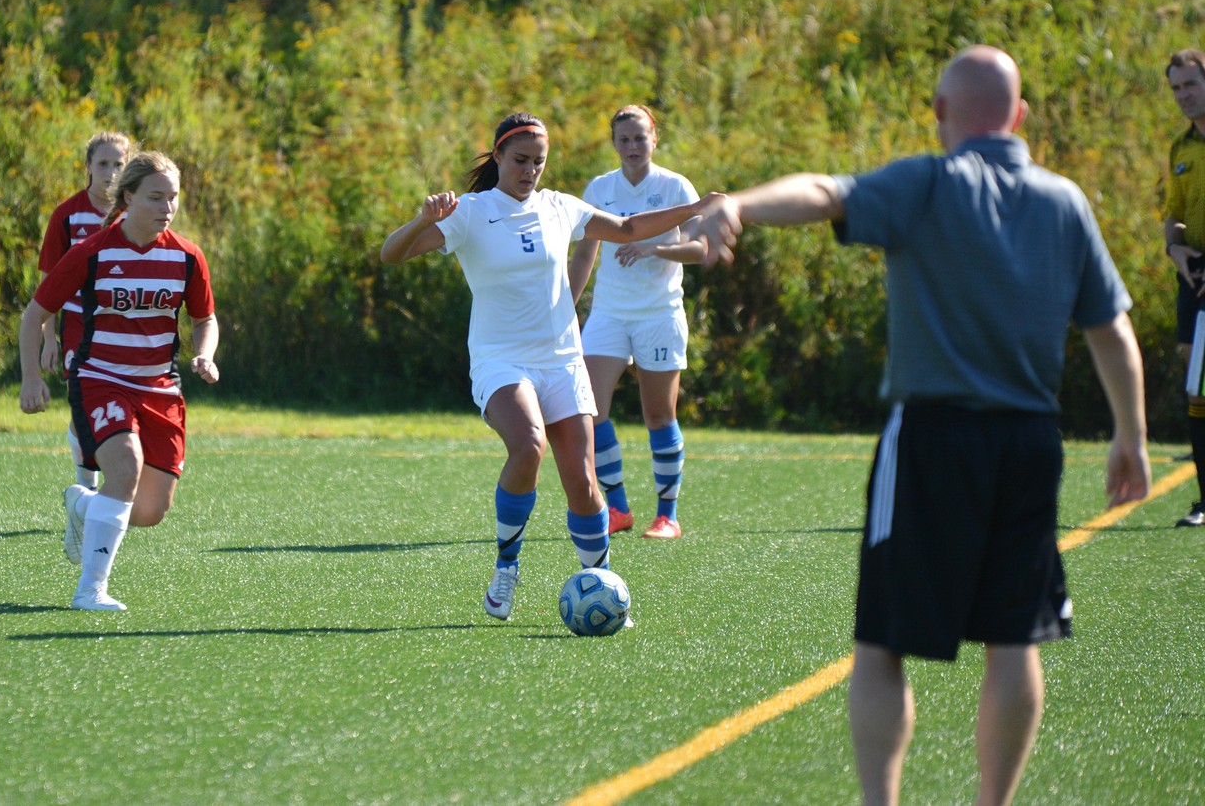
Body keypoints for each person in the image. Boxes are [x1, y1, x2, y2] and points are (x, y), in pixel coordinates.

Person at [689, 46, 1151, 806]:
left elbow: (825, 191)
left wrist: (737, 204)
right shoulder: (1065, 200)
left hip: (932, 439)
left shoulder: (927, 182)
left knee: (882, 643)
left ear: (939, 111)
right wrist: (1129, 434)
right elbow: (1111, 329)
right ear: (1020, 115)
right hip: (1030, 441)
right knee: (1014, 639)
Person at [380, 112, 717, 622]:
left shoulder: (559, 206)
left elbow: (627, 229)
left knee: (583, 482)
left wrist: (695, 207)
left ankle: (601, 582)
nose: (530, 170)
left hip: (561, 359)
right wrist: (424, 221)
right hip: (500, 359)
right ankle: (507, 566)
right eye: (520, 160)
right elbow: (392, 254)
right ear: (497, 156)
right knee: (529, 444)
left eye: (538, 162)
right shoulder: (469, 213)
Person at [19, 151, 219, 612]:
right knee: (125, 469)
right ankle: (90, 591)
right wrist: (31, 378)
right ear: (128, 197)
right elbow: (34, 315)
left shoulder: (187, 256)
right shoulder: (92, 252)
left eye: (173, 197)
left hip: (159, 389)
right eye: (155, 197)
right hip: (100, 380)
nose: (167, 207)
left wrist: (205, 354)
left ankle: (82, 505)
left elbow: (205, 318)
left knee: (148, 512)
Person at [569, 105, 706, 539]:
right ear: (614, 143)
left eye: (639, 137)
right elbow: (585, 254)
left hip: (659, 314)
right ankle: (618, 508)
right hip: (609, 314)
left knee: (659, 416)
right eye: (624, 139)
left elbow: (700, 248)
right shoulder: (599, 188)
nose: (632, 146)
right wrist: (564, 307)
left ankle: (668, 516)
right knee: (590, 411)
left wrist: (653, 248)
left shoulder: (675, 186)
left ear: (654, 138)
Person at [37, 130, 133, 489]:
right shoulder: (67, 215)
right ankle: (86, 487)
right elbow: (48, 285)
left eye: (118, 164)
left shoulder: (135, 213)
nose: (111, 172)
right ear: (88, 167)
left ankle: (119, 478)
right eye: (103, 164)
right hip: (79, 323)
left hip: (124, 325)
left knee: (121, 401)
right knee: (81, 400)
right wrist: (49, 337)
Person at [1161, 49, 1205, 528]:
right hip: (1195, 273)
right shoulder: (1181, 148)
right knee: (1197, 386)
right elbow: (1173, 213)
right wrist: (1175, 249)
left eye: (1190, 84)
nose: (1183, 95)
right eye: (1176, 88)